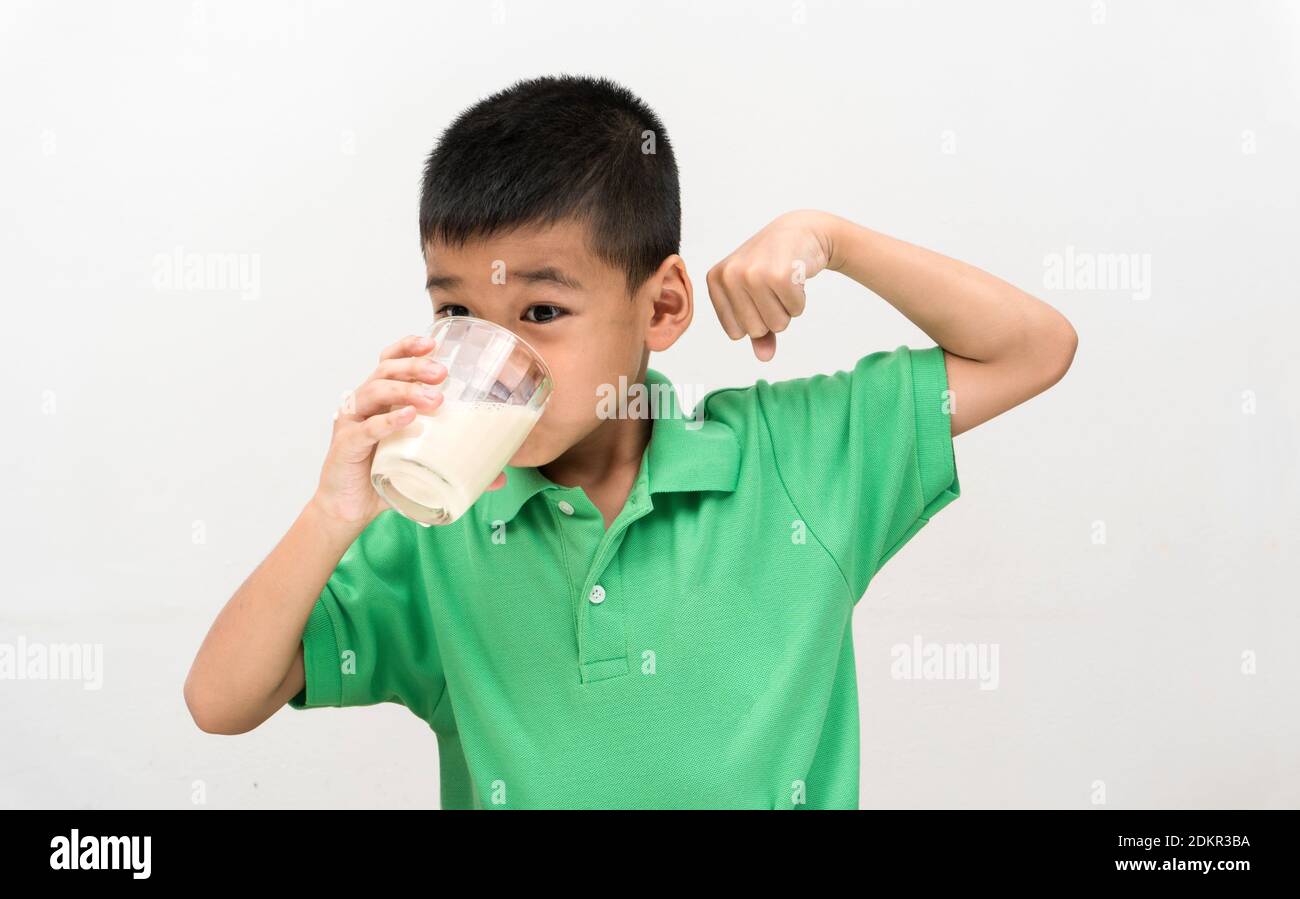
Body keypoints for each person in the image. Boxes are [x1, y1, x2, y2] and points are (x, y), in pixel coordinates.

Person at [184, 74, 1077, 809]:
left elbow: (1034, 348)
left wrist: (829, 238)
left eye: (541, 311)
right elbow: (220, 700)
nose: (492, 358)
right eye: (456, 311)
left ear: (662, 306)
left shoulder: (791, 460)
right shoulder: (437, 525)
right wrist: (334, 509)